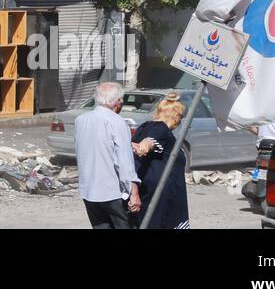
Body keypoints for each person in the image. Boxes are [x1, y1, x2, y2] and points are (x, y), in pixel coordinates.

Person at [74, 81, 141, 229]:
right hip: (112, 192)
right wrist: (134, 192)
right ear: (117, 101)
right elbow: (124, 161)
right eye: (121, 100)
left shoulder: (81, 120)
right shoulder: (117, 122)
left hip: (89, 191)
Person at [129, 92, 190, 229]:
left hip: (148, 188)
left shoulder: (144, 127)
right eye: (180, 117)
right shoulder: (161, 128)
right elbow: (150, 142)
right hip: (160, 196)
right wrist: (143, 146)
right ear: (176, 116)